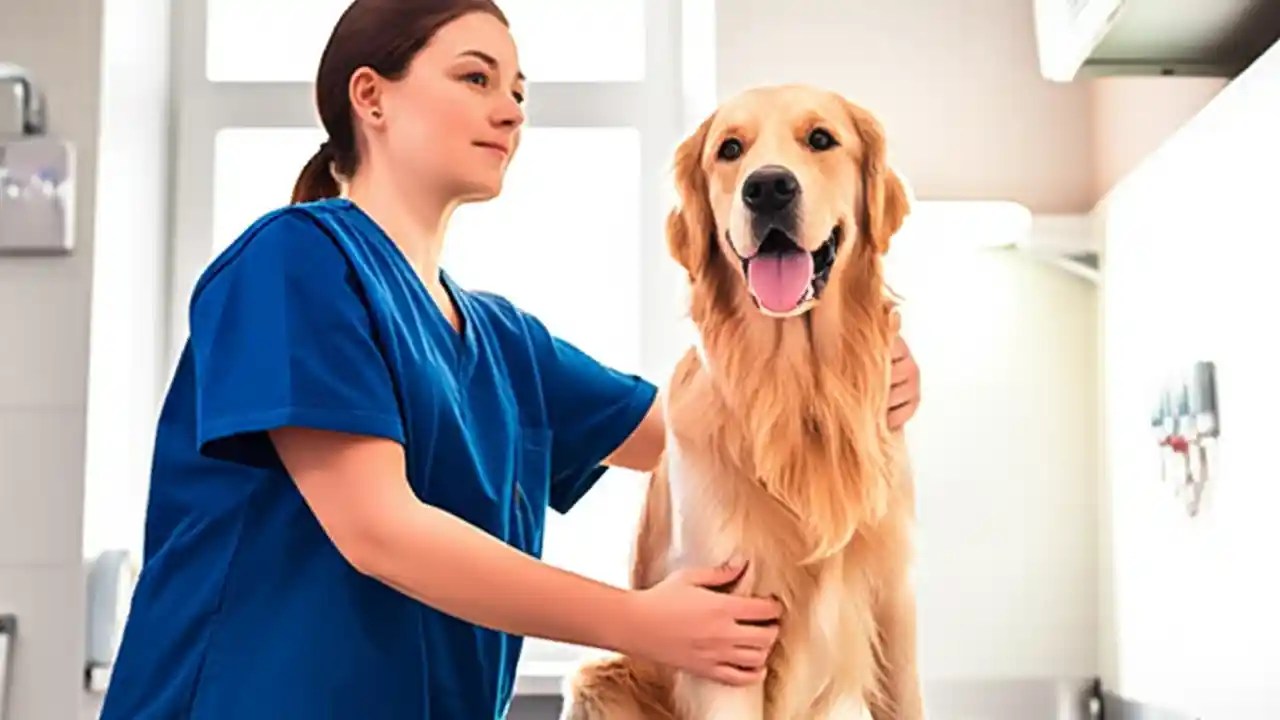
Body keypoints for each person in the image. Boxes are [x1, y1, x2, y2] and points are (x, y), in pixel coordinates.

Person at [99, 1, 923, 718]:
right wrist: (642, 622)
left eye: (519, 92)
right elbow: (379, 531)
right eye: (476, 78)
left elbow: (702, 427)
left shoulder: (502, 344)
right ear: (370, 96)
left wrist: (857, 379)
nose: (510, 110)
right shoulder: (293, 264)